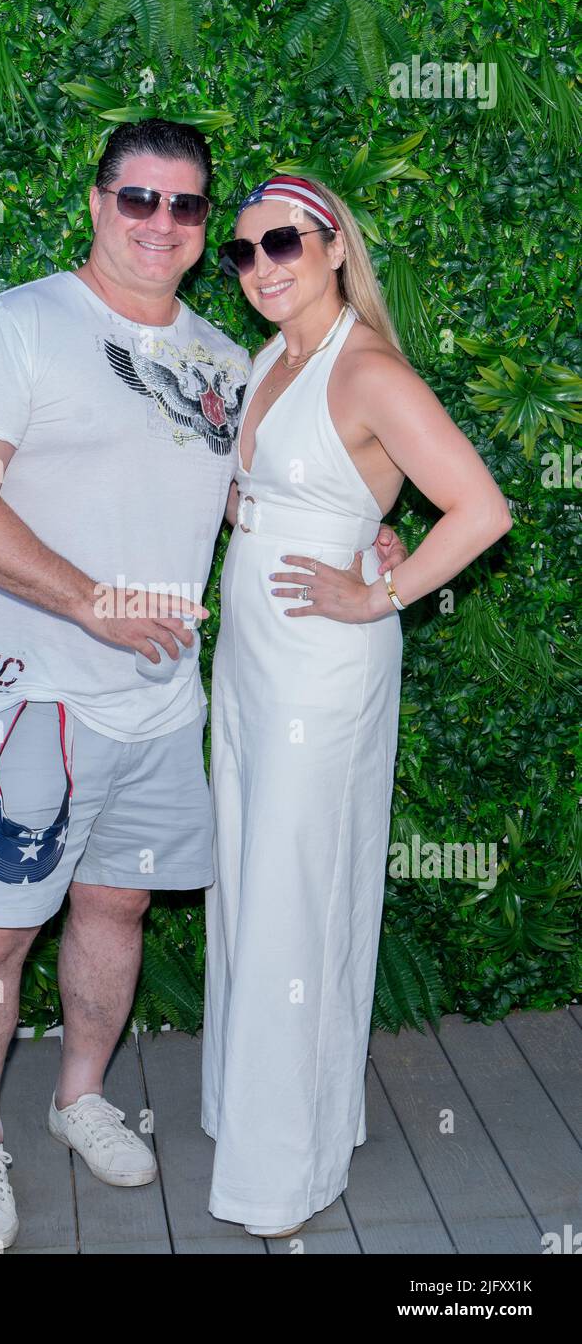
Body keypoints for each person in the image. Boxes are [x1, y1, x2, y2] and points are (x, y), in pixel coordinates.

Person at [0, 123, 408, 1252]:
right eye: (137, 198)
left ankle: (80, 1093)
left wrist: (365, 540)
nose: (161, 222)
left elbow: (256, 493)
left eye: (187, 209)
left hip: (161, 701)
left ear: (205, 237)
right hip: (30, 694)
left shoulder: (222, 364)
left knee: (117, 905)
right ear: (96, 204)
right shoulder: (18, 326)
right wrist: (87, 598)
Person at [201, 174, 513, 1238]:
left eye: (281, 242)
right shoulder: (269, 362)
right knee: (251, 886)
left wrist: (380, 588)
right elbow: (276, 501)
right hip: (247, 662)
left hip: (322, 669)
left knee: (299, 897)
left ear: (334, 246)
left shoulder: (367, 367)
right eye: (240, 253)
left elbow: (481, 508)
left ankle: (281, 1176)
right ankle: (263, 1124)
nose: (261, 268)